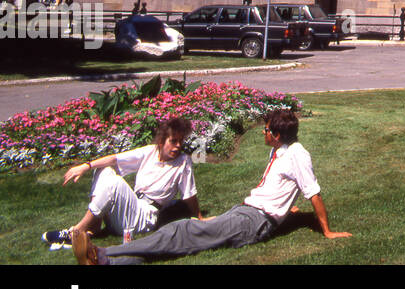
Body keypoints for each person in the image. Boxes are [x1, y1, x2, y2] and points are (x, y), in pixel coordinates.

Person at [72, 109, 349, 265]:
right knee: (185, 238)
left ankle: (103, 254)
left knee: (184, 230)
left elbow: (313, 192)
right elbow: (282, 189)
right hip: (246, 212)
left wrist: (327, 231)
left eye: (265, 130)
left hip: (252, 221)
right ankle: (111, 264)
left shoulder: (298, 154)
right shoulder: (281, 151)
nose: (262, 133)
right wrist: (285, 210)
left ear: (276, 136)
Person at [43, 117, 200, 251]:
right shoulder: (151, 152)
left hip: (145, 218)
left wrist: (198, 216)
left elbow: (189, 194)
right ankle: (95, 225)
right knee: (104, 169)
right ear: (161, 141)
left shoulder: (183, 162)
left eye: (180, 141)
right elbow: (115, 159)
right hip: (130, 209)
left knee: (115, 183)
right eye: (173, 141)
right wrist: (85, 166)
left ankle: (75, 233)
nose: (178, 146)